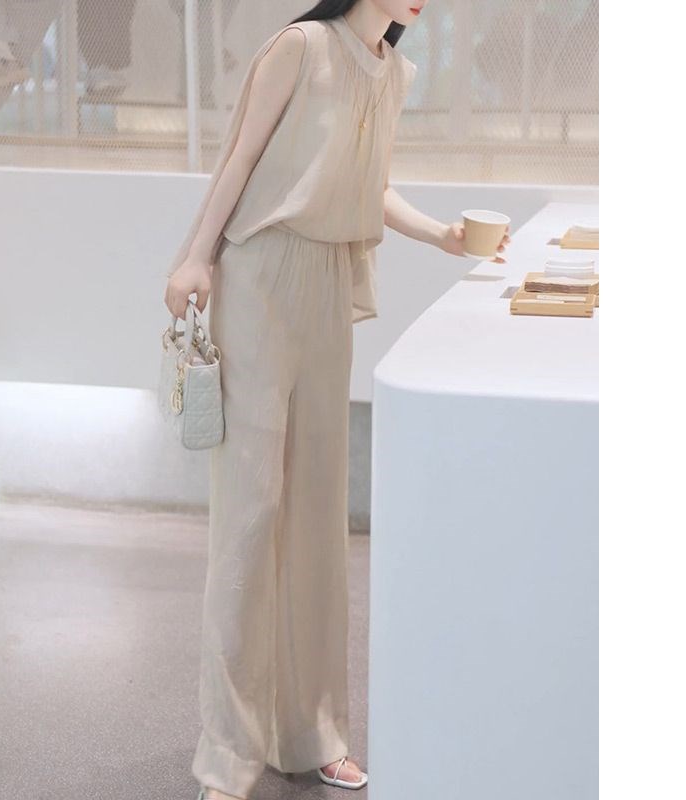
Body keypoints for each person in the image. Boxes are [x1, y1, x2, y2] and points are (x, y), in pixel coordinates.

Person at [164, 2, 511, 799]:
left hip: (328, 282)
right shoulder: (300, 47)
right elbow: (240, 161)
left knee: (318, 516)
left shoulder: (394, 71)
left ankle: (313, 731)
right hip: (259, 275)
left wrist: (442, 235)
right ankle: (229, 753)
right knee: (250, 515)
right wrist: (195, 258)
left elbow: (370, 184)